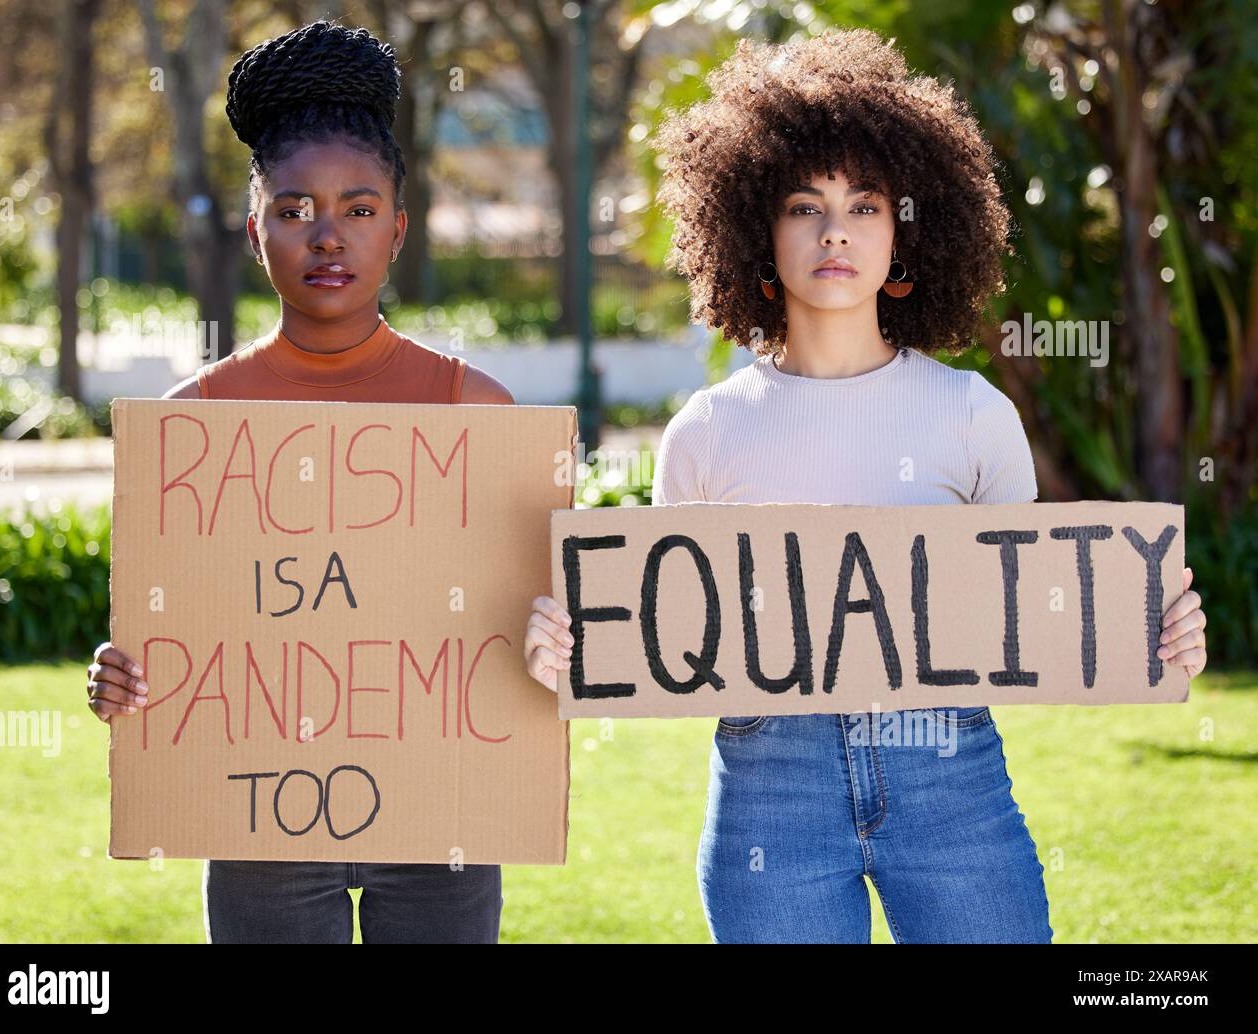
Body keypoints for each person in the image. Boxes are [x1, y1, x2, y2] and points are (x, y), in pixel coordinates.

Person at [523, 28, 1209, 944]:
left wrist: (1149, 632)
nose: (835, 229)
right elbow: (667, 641)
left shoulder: (973, 415)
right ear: (756, 233)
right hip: (773, 788)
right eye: (804, 205)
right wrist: (572, 649)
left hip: (949, 776)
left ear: (908, 230)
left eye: (866, 205)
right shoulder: (707, 432)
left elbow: (1035, 612)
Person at [86, 21, 516, 944]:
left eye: (359, 210)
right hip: (258, 822)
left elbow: (517, 615)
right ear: (255, 230)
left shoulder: (476, 407)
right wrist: (123, 673)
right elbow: (178, 618)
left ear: (398, 228)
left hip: (439, 811)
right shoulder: (191, 420)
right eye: (294, 211)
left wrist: (551, 634)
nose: (328, 237)